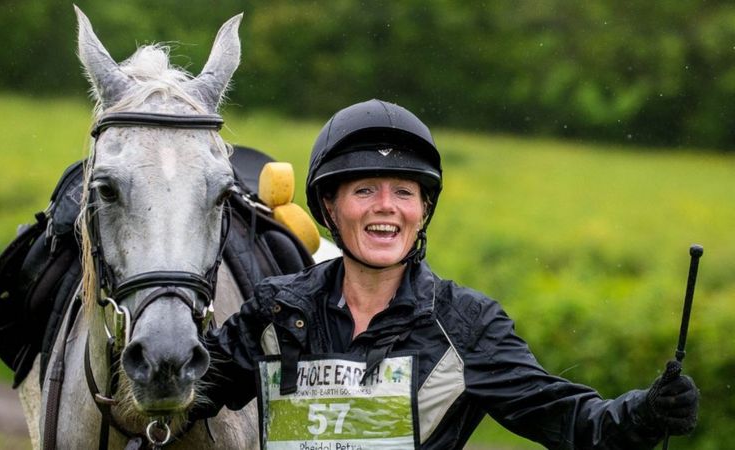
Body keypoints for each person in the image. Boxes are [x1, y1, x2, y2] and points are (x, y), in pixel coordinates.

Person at [201, 99, 699, 449]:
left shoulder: (467, 325)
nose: (386, 208)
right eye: (365, 190)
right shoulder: (273, 310)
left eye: (404, 191)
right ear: (329, 207)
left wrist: (647, 412)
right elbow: (176, 396)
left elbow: (575, 424)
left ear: (423, 209)